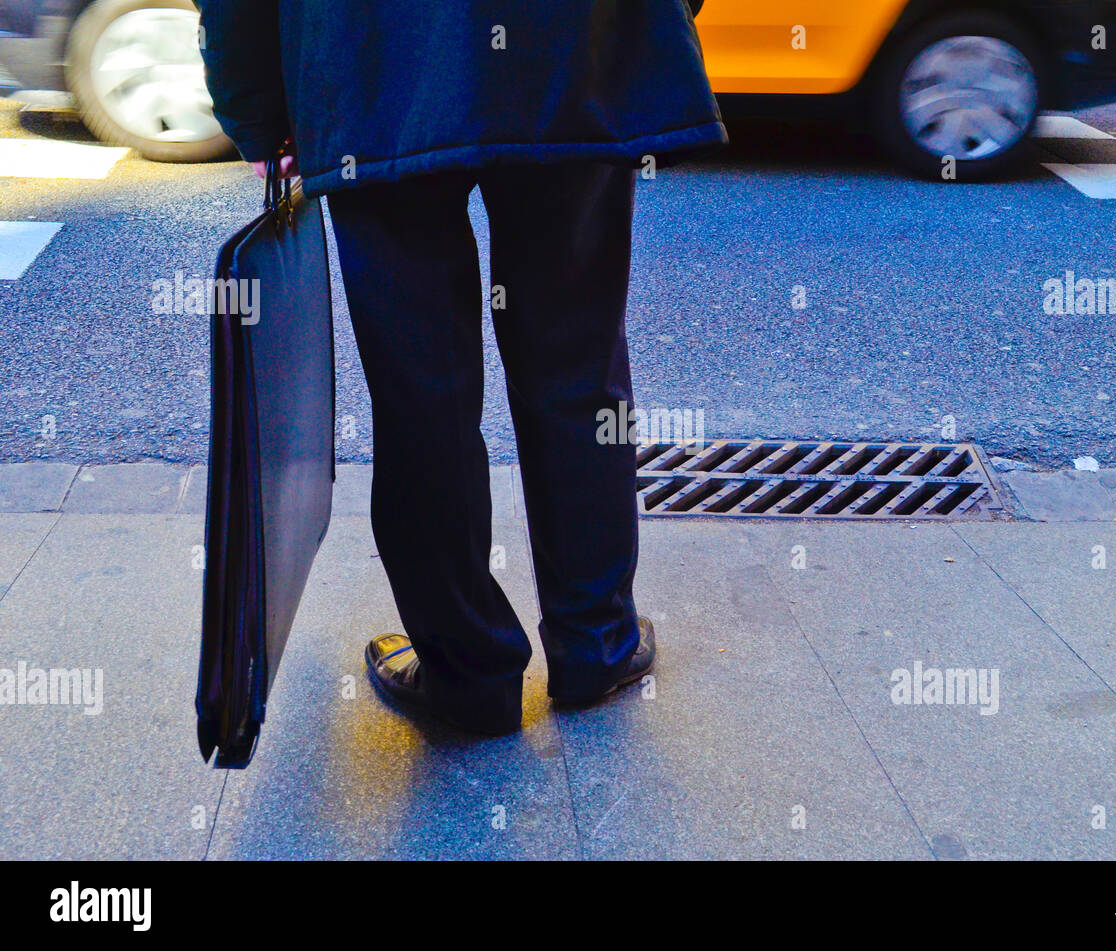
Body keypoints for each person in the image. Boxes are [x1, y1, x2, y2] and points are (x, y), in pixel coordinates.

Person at [196, 1, 726, 735]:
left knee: (420, 388)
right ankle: (596, 642)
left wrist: (253, 104)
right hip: (571, 43)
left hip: (372, 54)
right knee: (577, 365)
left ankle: (467, 669)